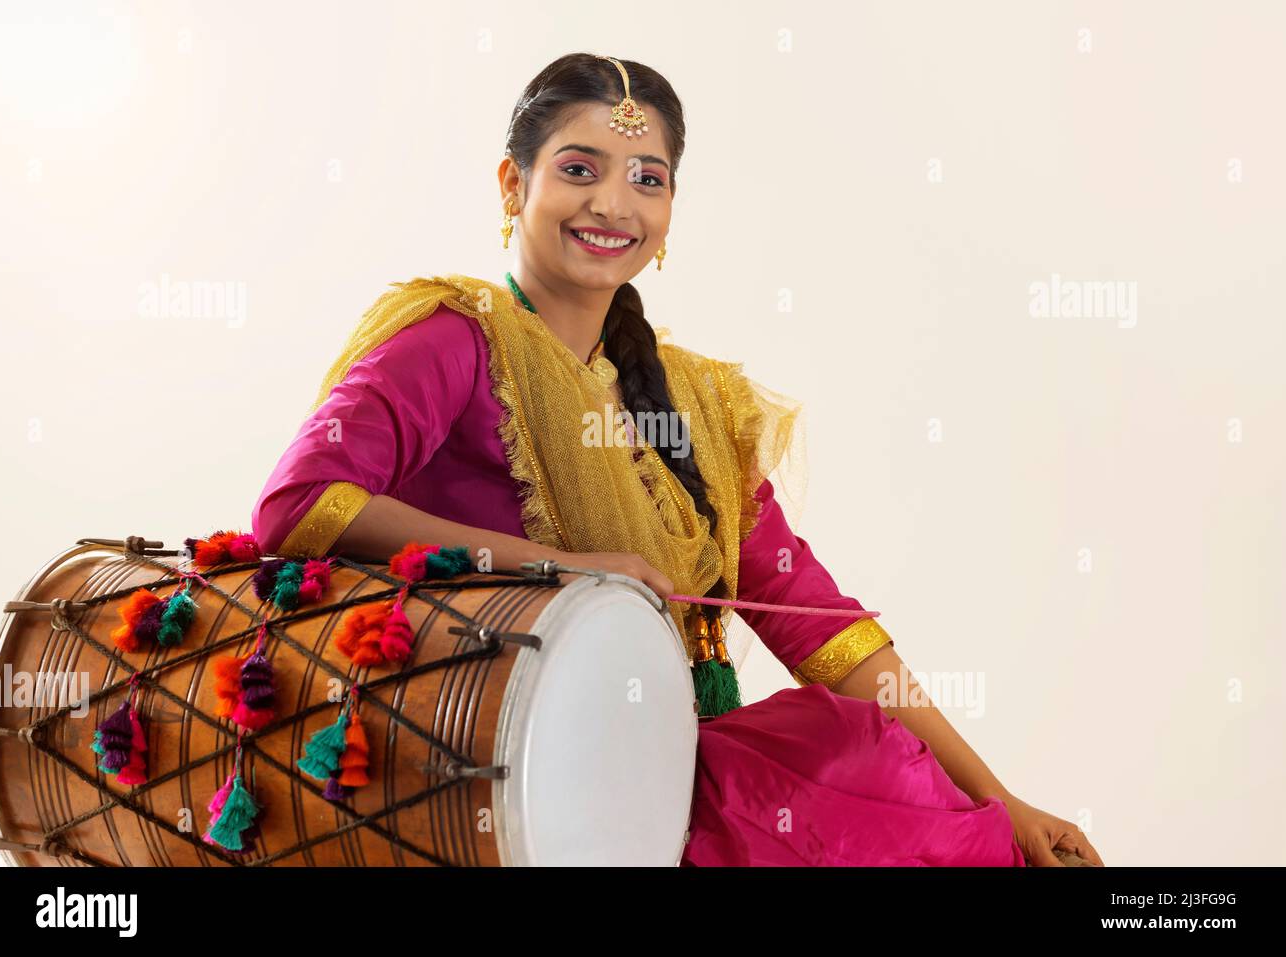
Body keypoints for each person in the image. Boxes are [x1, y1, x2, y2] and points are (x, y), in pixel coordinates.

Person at [252, 53, 1103, 867]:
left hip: (647, 777)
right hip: (473, 773)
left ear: (668, 214)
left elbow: (822, 627)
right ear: (513, 185)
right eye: (580, 169)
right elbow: (299, 505)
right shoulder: (451, 340)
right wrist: (570, 569)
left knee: (863, 766)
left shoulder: (690, 401)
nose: (613, 203)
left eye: (646, 178)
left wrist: (1003, 800)